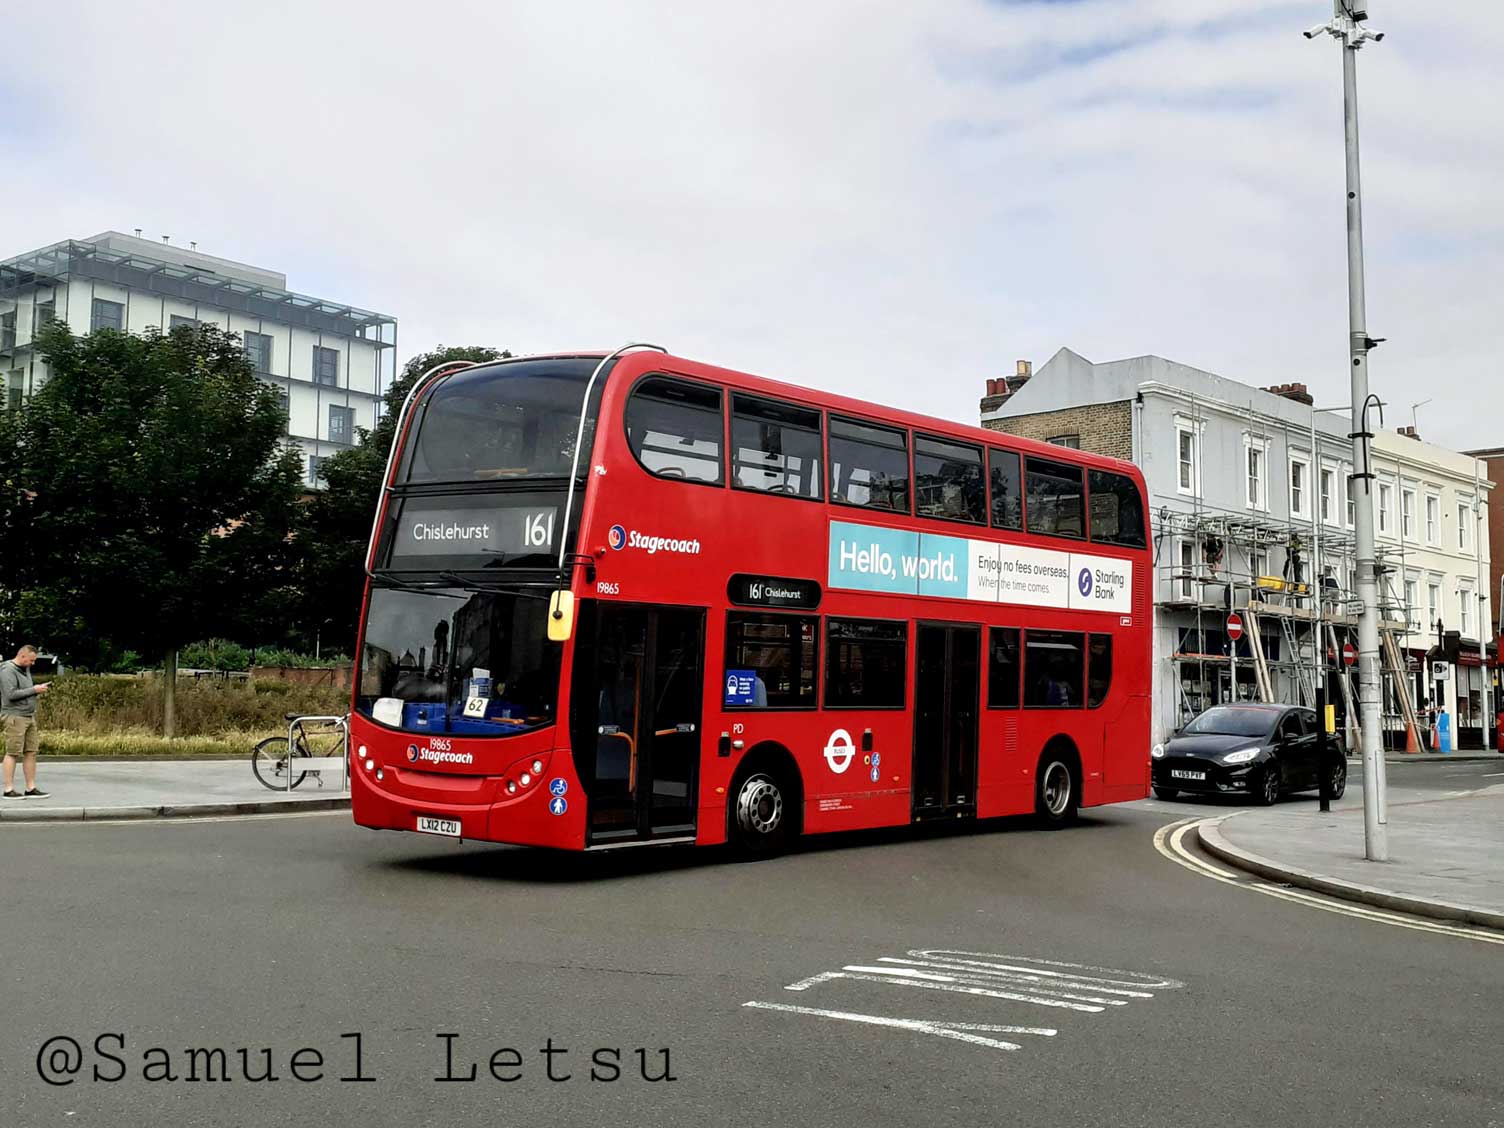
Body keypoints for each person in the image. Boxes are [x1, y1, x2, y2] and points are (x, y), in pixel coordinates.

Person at [2, 644, 51, 799]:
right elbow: (11, 694)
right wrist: (34, 690)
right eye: (31, 660)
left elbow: (26, 690)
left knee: (31, 751)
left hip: (29, 716)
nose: (32, 663)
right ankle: (8, 789)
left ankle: (31, 787)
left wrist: (36, 690)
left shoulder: (26, 669)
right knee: (13, 752)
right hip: (14, 716)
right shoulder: (7, 670)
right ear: (22, 656)